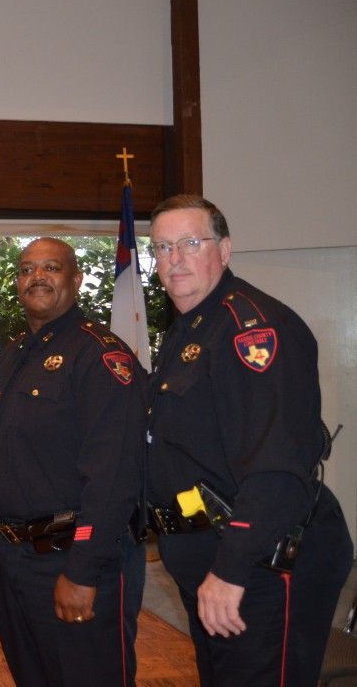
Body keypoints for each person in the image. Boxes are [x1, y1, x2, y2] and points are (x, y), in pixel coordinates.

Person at [146, 194, 353, 686]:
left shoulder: (252, 331)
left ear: (225, 249)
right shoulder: (191, 329)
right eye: (161, 247)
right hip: (212, 552)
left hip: (257, 559)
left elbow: (278, 468)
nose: (174, 260)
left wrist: (231, 568)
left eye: (190, 243)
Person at [0, 237, 147, 687]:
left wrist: (82, 570)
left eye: (51, 268)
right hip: (10, 559)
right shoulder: (11, 355)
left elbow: (113, 479)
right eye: (28, 269)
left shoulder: (100, 356)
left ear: (76, 278)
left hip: (69, 558)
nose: (37, 277)